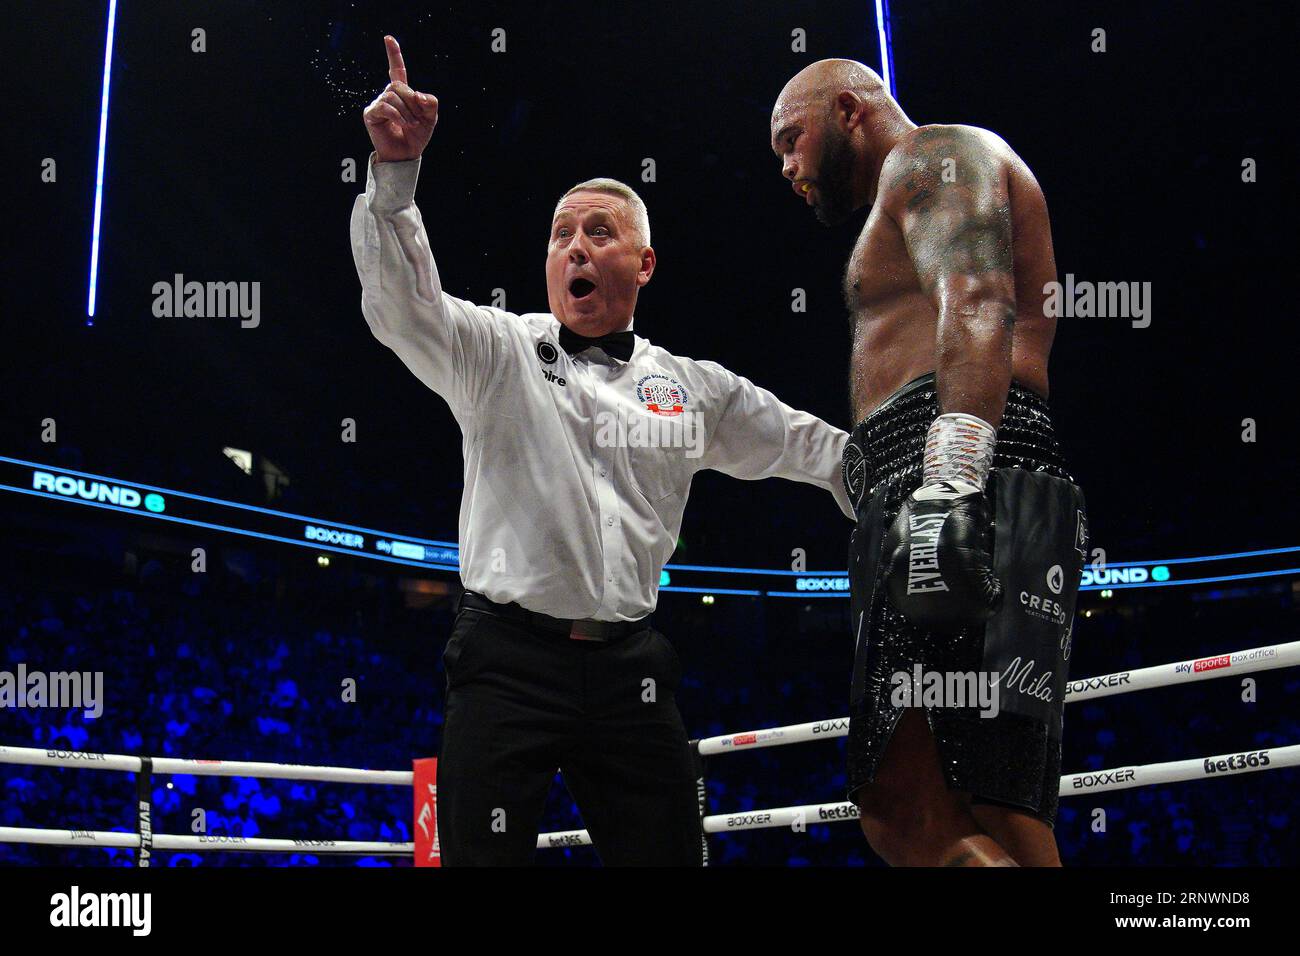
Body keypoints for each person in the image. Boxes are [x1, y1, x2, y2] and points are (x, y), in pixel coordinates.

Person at [351, 37, 854, 866]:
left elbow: (808, 445)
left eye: (599, 231)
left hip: (631, 669)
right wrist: (395, 178)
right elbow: (400, 307)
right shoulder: (496, 351)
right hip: (504, 664)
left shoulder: (693, 388)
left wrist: (906, 471)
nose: (575, 247)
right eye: (560, 235)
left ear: (644, 262)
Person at [770, 59, 1087, 866]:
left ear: (847, 109)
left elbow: (978, 297)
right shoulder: (917, 183)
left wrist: (951, 479)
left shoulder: (933, 156)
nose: (788, 169)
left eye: (790, 140)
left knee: (901, 803)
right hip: (997, 473)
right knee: (991, 800)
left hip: (955, 462)